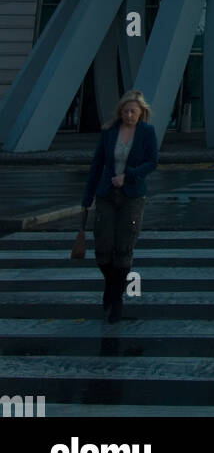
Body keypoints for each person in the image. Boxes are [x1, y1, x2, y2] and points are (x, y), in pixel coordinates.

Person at [81, 90, 158, 323]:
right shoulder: (109, 132)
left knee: (124, 246)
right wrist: (86, 199)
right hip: (106, 195)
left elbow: (152, 162)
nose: (129, 115)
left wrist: (129, 175)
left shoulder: (146, 132)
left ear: (141, 112)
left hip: (132, 196)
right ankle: (111, 286)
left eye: (133, 111)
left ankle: (116, 299)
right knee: (103, 246)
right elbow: (97, 166)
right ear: (120, 112)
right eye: (125, 111)